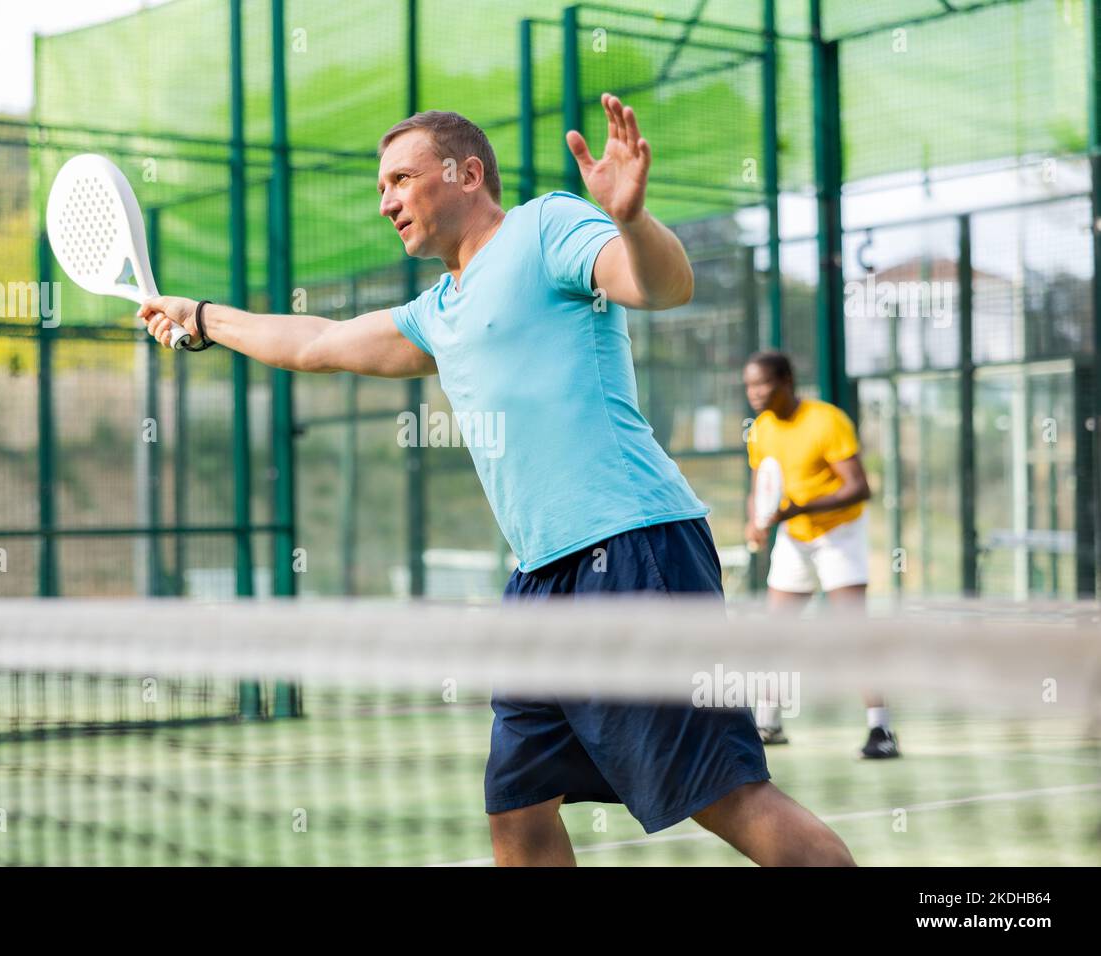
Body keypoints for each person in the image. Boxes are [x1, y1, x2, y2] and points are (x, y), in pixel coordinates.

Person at [138, 94, 855, 865]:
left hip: (635, 550)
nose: (386, 202)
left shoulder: (546, 228)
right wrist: (205, 317)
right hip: (540, 581)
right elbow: (317, 342)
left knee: (724, 795)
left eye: (400, 180)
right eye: (382, 187)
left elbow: (659, 285)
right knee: (517, 809)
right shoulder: (439, 312)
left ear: (466, 171)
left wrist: (632, 219)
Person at [742, 351, 900, 759]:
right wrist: (756, 522)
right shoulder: (760, 429)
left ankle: (881, 730)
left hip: (838, 534)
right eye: (749, 386)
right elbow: (761, 487)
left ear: (787, 380)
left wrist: (800, 508)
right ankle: (768, 723)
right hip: (794, 538)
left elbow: (859, 487)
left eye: (763, 384)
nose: (755, 393)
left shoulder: (826, 421)